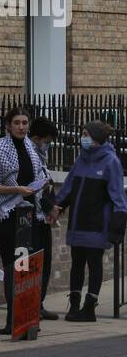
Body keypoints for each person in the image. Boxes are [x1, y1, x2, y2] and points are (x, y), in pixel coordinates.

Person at [48, 120, 127, 322]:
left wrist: (117, 227)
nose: (82, 137)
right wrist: (57, 206)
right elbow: (68, 186)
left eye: (85, 134)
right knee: (76, 264)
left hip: (97, 223)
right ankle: (74, 305)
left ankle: (89, 307)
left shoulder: (111, 162)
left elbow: (118, 197)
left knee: (94, 264)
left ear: (96, 138)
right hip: (77, 221)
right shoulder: (81, 159)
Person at [0, 106, 46, 335]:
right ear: (8, 125)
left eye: (25, 122)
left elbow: (38, 174)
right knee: (13, 264)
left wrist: (40, 186)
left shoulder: (31, 148)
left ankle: (28, 317)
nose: (21, 127)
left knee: (28, 264)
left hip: (28, 213)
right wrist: (15, 189)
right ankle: (12, 319)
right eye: (16, 122)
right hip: (7, 214)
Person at [29, 116, 59, 319]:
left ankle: (38, 304)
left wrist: (53, 206)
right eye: (46, 141)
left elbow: (47, 182)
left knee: (45, 262)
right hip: (31, 217)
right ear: (36, 138)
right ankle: (30, 305)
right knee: (32, 263)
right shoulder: (28, 155)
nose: (47, 146)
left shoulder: (41, 157)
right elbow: (33, 186)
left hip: (43, 217)